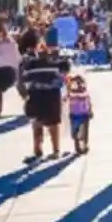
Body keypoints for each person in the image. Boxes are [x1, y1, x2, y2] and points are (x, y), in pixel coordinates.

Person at [20, 32, 71, 163]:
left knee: (39, 123)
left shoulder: (28, 60)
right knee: (49, 124)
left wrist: (24, 94)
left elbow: (21, 77)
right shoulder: (52, 59)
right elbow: (66, 68)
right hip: (49, 94)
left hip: (37, 94)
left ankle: (41, 150)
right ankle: (52, 151)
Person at [65, 73, 93, 154]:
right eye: (76, 83)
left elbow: (88, 102)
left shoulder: (85, 92)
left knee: (84, 132)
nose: (78, 85)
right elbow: (65, 98)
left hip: (84, 114)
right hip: (74, 115)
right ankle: (77, 147)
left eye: (80, 83)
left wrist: (90, 110)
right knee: (75, 133)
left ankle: (85, 146)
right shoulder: (70, 92)